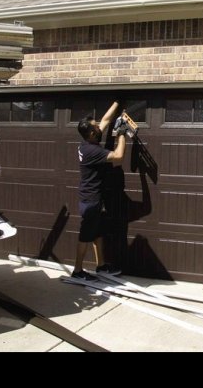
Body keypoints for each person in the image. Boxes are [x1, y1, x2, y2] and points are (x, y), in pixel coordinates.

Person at [72, 99, 127, 281]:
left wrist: (117, 102)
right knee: (85, 236)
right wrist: (121, 133)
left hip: (93, 199)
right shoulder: (91, 151)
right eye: (96, 126)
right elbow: (118, 157)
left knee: (98, 233)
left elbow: (105, 119)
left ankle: (101, 266)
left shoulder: (88, 141)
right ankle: (78, 271)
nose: (99, 126)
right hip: (91, 201)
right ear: (92, 134)